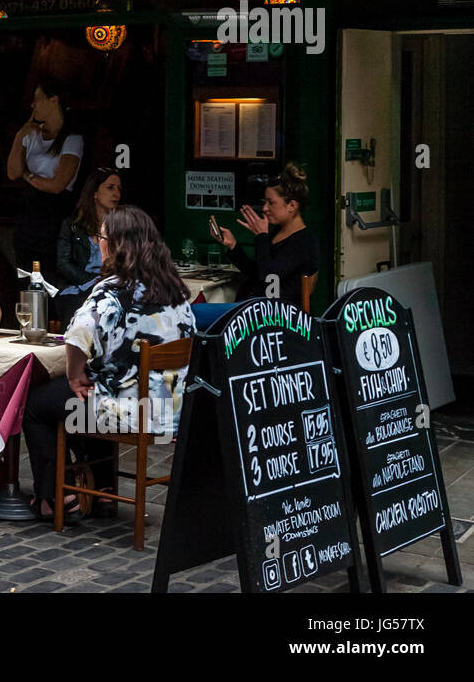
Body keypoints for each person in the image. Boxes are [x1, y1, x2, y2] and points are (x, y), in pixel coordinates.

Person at [21, 206, 196, 520]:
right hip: (168, 412)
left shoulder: (113, 289)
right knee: (89, 392)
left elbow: (77, 336)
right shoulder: (175, 290)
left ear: (115, 244)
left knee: (36, 405)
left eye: (100, 237)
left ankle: (55, 495)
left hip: (126, 413)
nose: (97, 242)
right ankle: (104, 493)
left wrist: (74, 376)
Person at [194, 163, 319, 329]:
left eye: (271, 203)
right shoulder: (277, 233)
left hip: (276, 315)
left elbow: (269, 276)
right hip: (256, 307)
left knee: (194, 313)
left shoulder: (304, 242)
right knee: (193, 313)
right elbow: (257, 273)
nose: (265, 209)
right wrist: (234, 247)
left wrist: (261, 236)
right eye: (264, 202)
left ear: (292, 206)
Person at [6, 80, 83, 283]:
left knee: (52, 276)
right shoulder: (31, 135)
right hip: (28, 217)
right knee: (26, 277)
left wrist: (28, 176)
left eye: (38, 99)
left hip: (54, 217)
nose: (33, 105)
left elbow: (58, 184)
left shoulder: (72, 139)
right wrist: (20, 135)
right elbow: (13, 172)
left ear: (53, 100)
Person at [53, 167, 122, 327]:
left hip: (110, 286)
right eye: (110, 187)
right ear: (95, 193)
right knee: (82, 308)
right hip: (79, 286)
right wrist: (92, 281)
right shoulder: (73, 225)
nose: (116, 193)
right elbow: (63, 265)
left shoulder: (121, 226)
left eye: (119, 188)